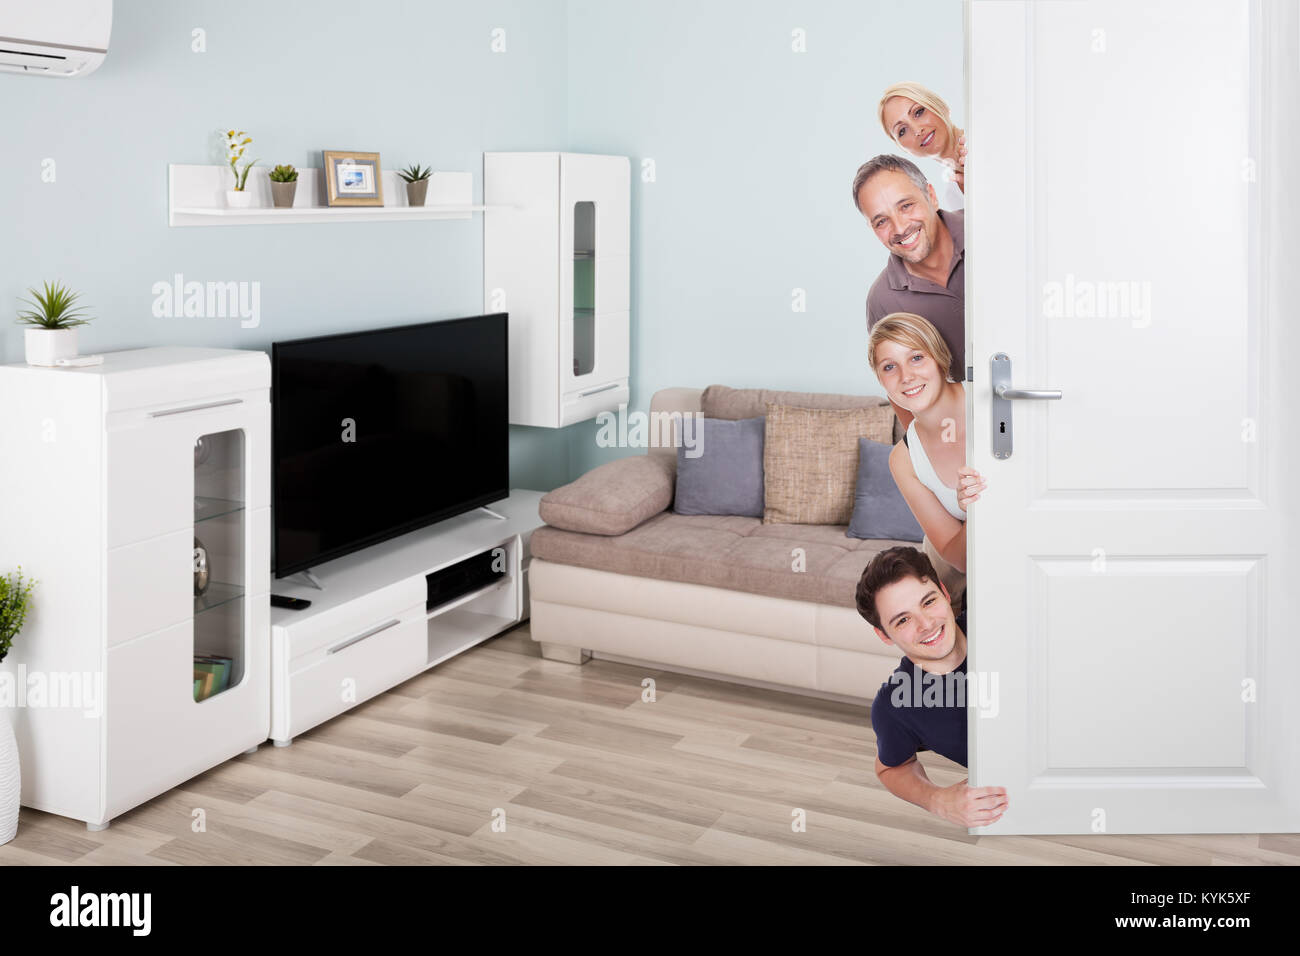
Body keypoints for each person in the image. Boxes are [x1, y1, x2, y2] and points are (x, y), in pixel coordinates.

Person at [856, 545, 1006, 828]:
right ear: (884, 635)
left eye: (928, 602)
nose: (926, 624)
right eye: (903, 620)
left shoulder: (996, 612)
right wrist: (938, 800)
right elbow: (890, 766)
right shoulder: (897, 706)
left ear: (946, 594)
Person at [867, 311, 983, 605]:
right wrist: (975, 511)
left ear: (940, 358)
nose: (906, 376)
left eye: (917, 357)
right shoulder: (904, 460)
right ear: (881, 380)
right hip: (963, 588)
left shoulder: (989, 403)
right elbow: (959, 558)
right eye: (889, 366)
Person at [853, 154, 964, 428]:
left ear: (931, 195)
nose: (900, 228)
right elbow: (901, 395)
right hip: (969, 438)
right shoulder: (883, 301)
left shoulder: (988, 231)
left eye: (906, 206)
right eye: (881, 221)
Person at [878, 82, 966, 208]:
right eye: (902, 131)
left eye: (918, 112)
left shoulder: (985, 135)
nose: (917, 130)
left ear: (940, 105)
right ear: (902, 148)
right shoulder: (953, 196)